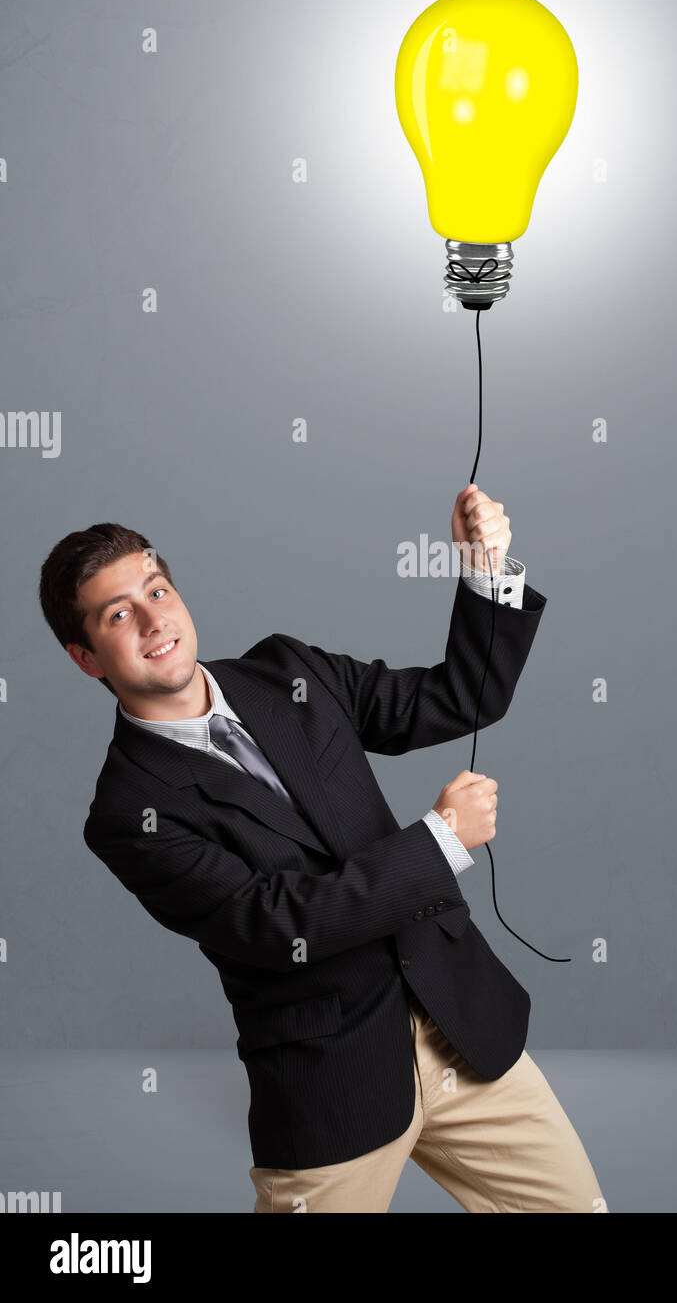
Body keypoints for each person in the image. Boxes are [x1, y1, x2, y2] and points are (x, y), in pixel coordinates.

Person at [38, 484, 608, 1213]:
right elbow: (279, 926)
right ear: (86, 657)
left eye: (157, 589)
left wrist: (483, 569)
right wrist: (438, 841)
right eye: (120, 614)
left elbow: (459, 700)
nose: (154, 618)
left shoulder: (290, 670)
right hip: (333, 1086)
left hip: (462, 1025)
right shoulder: (128, 811)